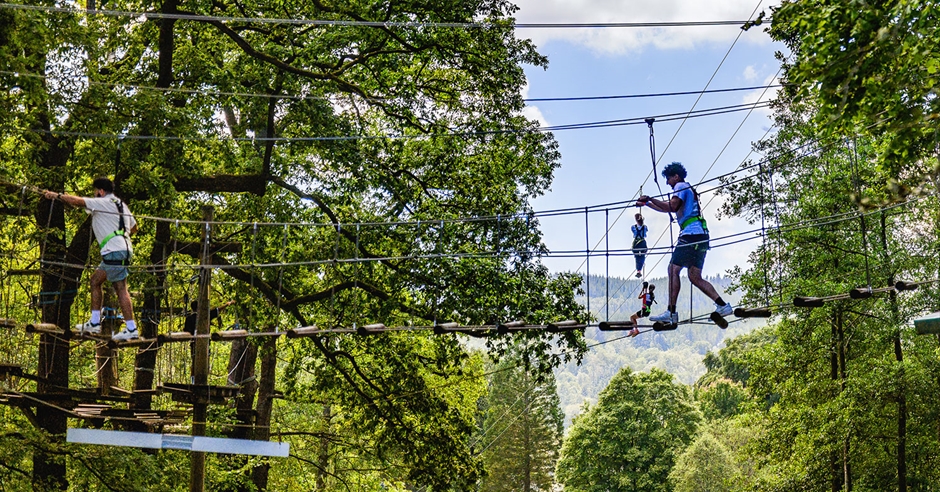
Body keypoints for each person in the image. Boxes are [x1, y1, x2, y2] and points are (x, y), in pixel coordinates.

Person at [43, 177, 140, 341]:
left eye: (95, 191)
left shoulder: (102, 202)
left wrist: (56, 196)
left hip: (114, 251)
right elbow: (134, 227)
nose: (94, 194)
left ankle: (131, 328)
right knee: (95, 280)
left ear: (101, 191)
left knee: (121, 288)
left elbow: (76, 201)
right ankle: (95, 322)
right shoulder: (121, 205)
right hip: (121, 249)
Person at [637, 162, 732, 326]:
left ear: (676, 176)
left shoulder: (680, 186)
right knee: (694, 276)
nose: (668, 183)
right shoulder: (687, 188)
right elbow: (667, 207)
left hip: (691, 235)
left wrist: (650, 198)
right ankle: (723, 306)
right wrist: (648, 204)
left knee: (673, 269)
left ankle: (671, 312)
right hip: (701, 235)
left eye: (668, 179)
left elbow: (672, 206)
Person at [631, 213, 648, 278]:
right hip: (642, 242)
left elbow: (634, 232)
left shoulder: (633, 227)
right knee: (642, 256)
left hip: (637, 243)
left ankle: (638, 270)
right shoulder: (645, 227)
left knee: (637, 256)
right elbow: (645, 233)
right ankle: (639, 270)